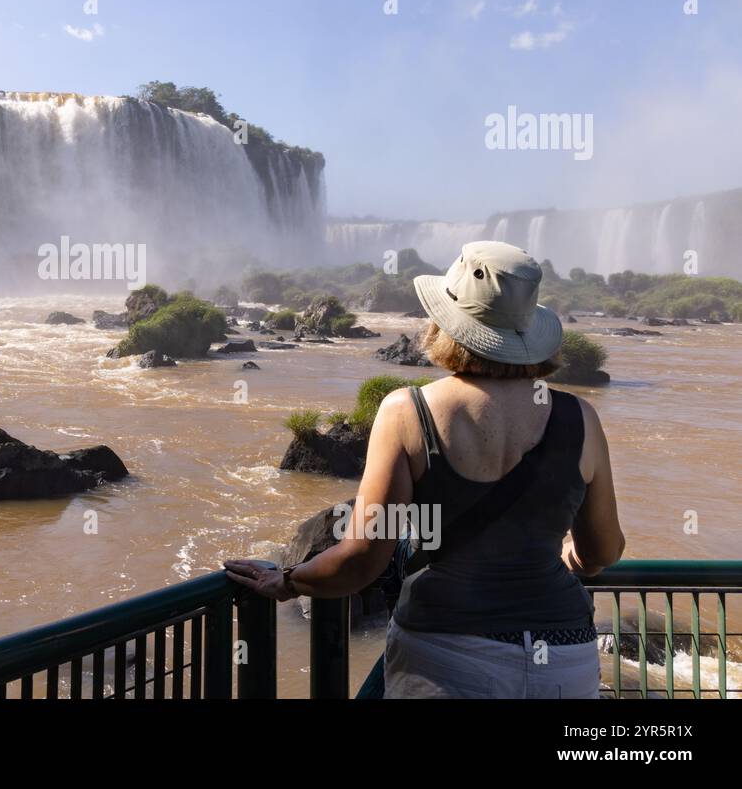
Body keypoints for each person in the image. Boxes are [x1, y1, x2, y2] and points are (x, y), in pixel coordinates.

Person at [224, 241, 625, 698]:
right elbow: (602, 551)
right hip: (565, 657)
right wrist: (569, 551)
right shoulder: (579, 418)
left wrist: (288, 580)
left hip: (447, 657)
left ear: (446, 325)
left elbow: (362, 559)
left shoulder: (408, 412)